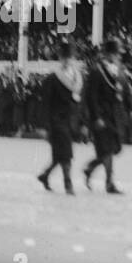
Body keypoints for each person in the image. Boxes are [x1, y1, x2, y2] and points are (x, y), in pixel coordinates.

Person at [82, 37, 130, 194]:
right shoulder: (97, 71)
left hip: (114, 116)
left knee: (115, 149)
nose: (119, 56)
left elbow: (123, 91)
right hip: (102, 117)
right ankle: (109, 183)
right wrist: (96, 117)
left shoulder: (117, 70)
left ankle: (90, 168)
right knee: (108, 150)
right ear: (109, 54)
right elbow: (92, 96)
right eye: (116, 53)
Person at [38, 38, 81, 193]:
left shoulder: (77, 77)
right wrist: (44, 126)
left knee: (60, 154)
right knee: (66, 154)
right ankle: (68, 184)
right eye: (65, 57)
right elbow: (45, 103)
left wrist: (81, 122)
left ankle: (45, 175)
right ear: (61, 58)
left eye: (70, 57)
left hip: (70, 121)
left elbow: (78, 103)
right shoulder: (52, 78)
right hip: (57, 121)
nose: (67, 60)